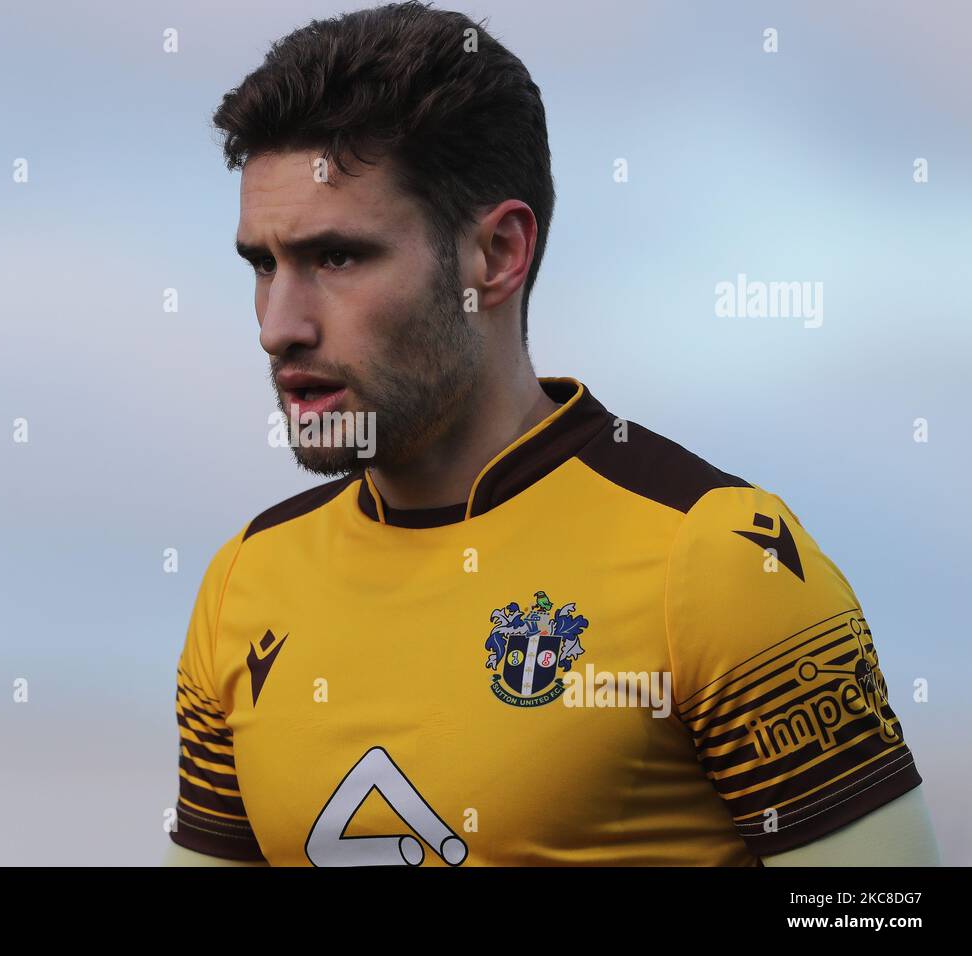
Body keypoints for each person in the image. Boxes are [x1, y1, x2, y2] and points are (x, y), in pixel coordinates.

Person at [164, 1, 938, 866]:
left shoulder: (719, 559)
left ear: (496, 255)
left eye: (336, 258)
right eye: (262, 264)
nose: (279, 325)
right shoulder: (245, 584)